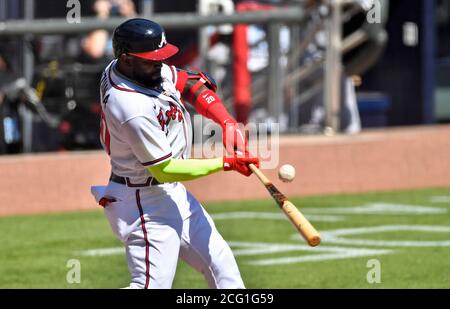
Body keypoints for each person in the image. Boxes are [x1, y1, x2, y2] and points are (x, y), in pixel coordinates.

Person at [90, 18, 259, 289]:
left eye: (160, 57)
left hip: (170, 192)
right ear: (126, 58)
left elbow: (188, 82)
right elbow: (164, 169)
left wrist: (227, 122)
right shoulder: (130, 107)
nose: (159, 64)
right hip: (143, 204)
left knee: (224, 269)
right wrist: (227, 163)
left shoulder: (134, 70)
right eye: (151, 59)